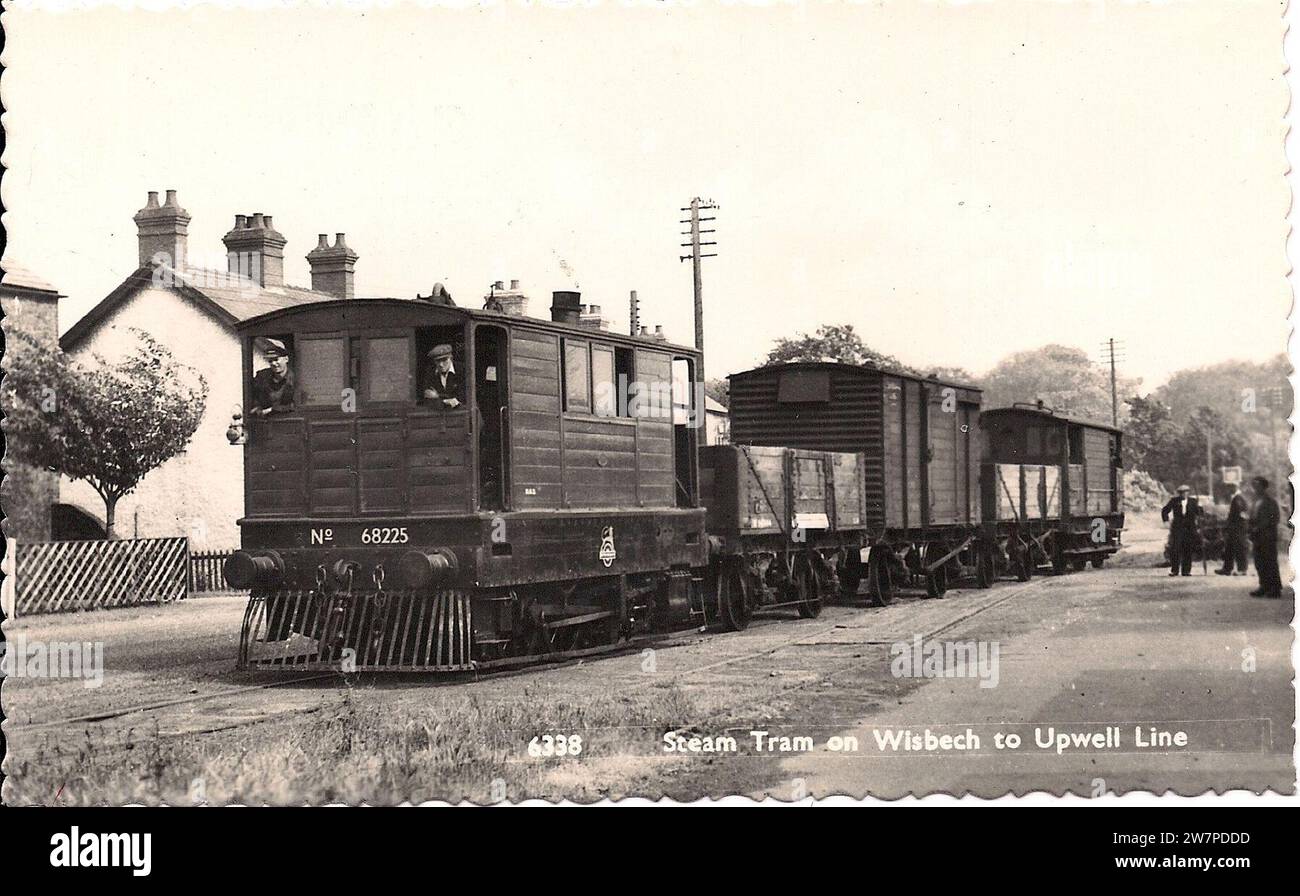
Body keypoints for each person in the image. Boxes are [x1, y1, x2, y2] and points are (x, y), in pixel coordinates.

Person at [1249, 476, 1282, 598]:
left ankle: (1275, 589)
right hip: (1257, 537)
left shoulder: (1270, 502)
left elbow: (1274, 519)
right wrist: (1250, 529)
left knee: (1270, 562)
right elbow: (1252, 517)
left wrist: (1260, 527)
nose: (1255, 488)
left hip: (1267, 537)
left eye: (1257, 485)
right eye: (1254, 486)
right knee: (1259, 562)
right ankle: (1264, 586)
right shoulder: (1255, 501)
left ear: (1263, 487)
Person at [1161, 484, 1201, 576]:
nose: (1184, 494)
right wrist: (1166, 521)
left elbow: (1199, 513)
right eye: (1181, 493)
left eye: (1186, 492)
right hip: (1177, 528)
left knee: (1188, 549)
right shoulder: (1174, 501)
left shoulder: (1193, 501)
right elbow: (1165, 510)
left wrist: (1200, 510)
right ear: (1179, 493)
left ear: (1188, 493)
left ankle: (1186, 571)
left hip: (1189, 529)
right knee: (1175, 549)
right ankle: (1174, 570)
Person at [250, 337, 294, 415]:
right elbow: (253, 397)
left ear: (286, 359)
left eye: (276, 359)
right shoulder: (261, 377)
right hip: (266, 423)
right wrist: (257, 407)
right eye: (270, 361)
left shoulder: (295, 379)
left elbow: (296, 405)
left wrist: (273, 409)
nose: (273, 363)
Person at [1216, 482, 1250, 576]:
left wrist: (1237, 525)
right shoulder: (1236, 497)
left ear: (1235, 487)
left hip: (1238, 528)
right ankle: (1227, 568)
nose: (1228, 489)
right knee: (1229, 548)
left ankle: (1242, 569)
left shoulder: (1239, 498)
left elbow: (1241, 513)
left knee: (1239, 548)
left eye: (1230, 487)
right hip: (1234, 527)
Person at [422, 344, 463, 408]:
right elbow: (427, 397)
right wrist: (445, 401)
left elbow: (466, 396)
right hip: (439, 414)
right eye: (437, 361)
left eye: (444, 360)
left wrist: (438, 396)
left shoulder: (462, 370)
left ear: (451, 358)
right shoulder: (430, 372)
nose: (441, 364)